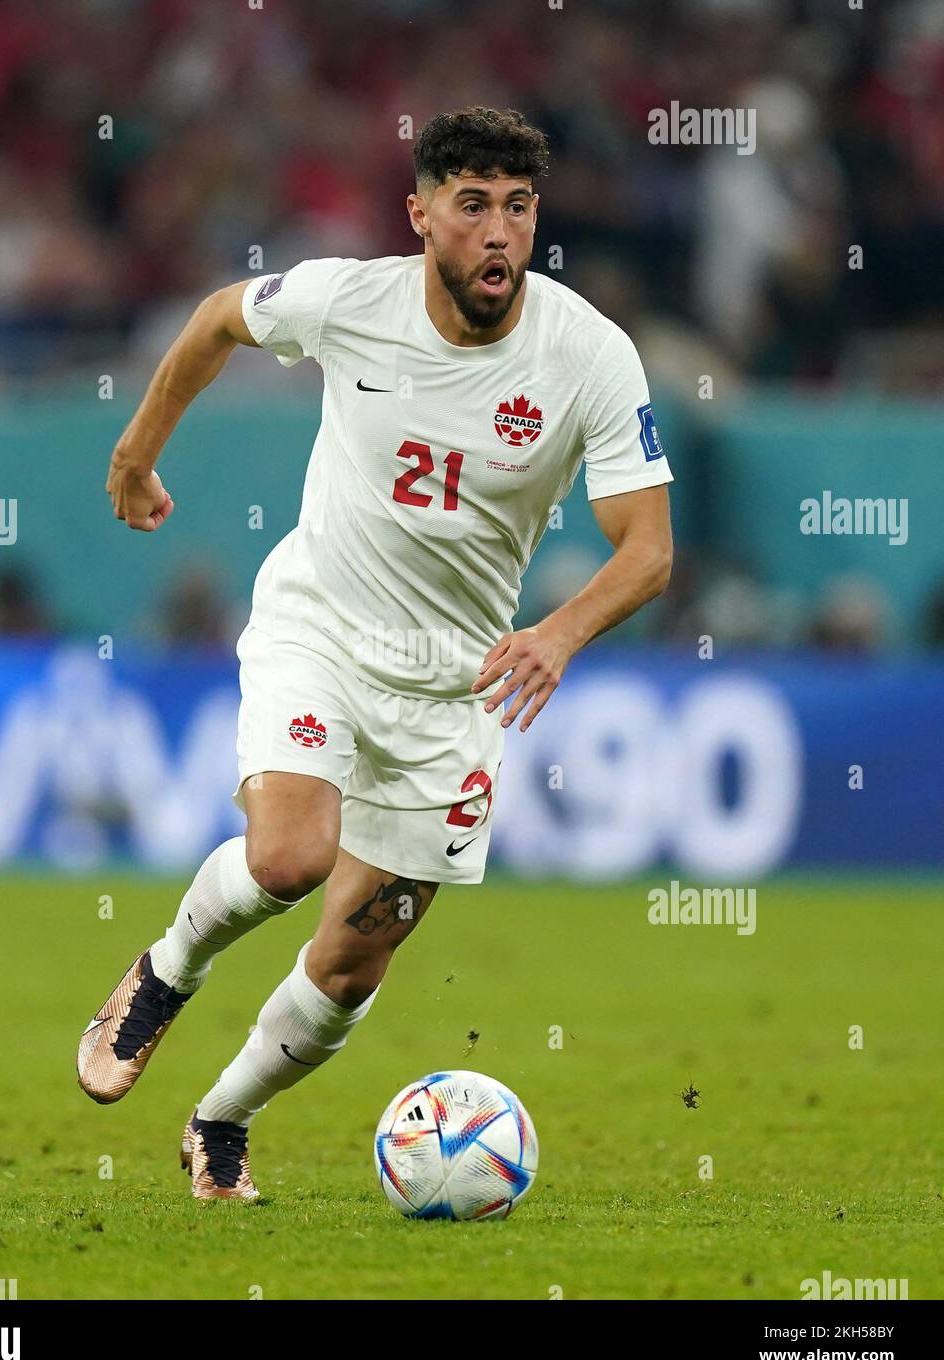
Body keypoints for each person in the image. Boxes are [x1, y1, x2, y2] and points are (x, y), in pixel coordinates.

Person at [78, 106, 673, 1201]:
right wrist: (136, 449)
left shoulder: (589, 351)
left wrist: (556, 630)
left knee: (354, 959)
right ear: (421, 215)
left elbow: (647, 549)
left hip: (453, 693)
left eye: (519, 207)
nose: (499, 232)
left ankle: (222, 1119)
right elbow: (216, 319)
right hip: (323, 630)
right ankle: (166, 970)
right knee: (289, 857)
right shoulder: (349, 300)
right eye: (473, 205)